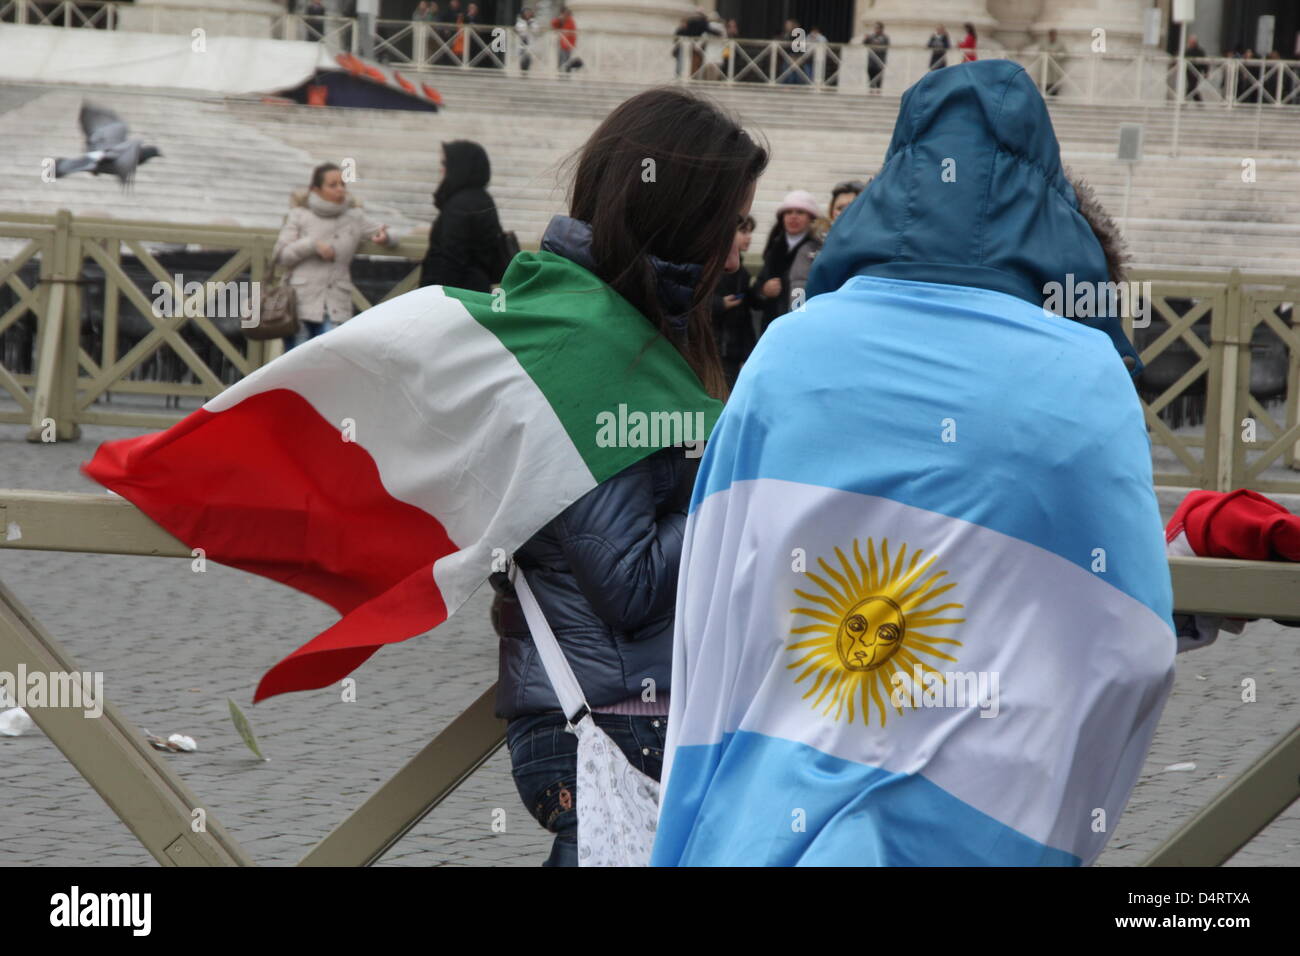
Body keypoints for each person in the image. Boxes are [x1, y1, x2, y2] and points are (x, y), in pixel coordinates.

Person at [652, 60, 1170, 869]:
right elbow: (1133, 643)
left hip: (764, 819)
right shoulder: (1087, 377)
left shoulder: (787, 351)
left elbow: (713, 608)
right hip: (975, 827)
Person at [491, 87, 768, 867]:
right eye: (730, 224)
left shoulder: (604, 317)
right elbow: (630, 580)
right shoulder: (598, 343)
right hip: (613, 717)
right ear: (681, 217)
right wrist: (745, 485)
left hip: (619, 707)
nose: (735, 253)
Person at [273, 162, 398, 346]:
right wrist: (312, 245)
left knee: (330, 358)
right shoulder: (299, 215)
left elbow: (391, 233)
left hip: (336, 304)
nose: (340, 189)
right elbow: (281, 256)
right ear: (316, 189)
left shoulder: (355, 217)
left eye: (342, 184)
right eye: (333, 185)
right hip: (298, 305)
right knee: (298, 361)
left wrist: (386, 238)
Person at [419, 140, 504, 293]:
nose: (441, 169)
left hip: (454, 293)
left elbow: (452, 258)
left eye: (445, 163)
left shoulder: (460, 205)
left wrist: (437, 294)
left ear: (461, 166)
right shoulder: (482, 198)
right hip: (476, 288)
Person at [787, 180, 866, 311]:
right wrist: (797, 315)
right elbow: (798, 289)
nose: (846, 211)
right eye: (840, 208)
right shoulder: (811, 250)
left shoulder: (873, 250)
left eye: (853, 205)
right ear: (831, 212)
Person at [753, 190, 820, 334]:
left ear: (811, 218)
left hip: (802, 322)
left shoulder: (817, 249)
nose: (793, 217)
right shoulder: (774, 247)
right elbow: (757, 287)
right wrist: (764, 290)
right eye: (788, 212)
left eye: (800, 212)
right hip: (772, 323)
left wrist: (797, 315)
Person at [711, 215, 757, 388]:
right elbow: (693, 301)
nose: (749, 237)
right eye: (743, 232)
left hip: (732, 350)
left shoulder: (742, 272)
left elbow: (745, 316)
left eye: (750, 232)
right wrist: (720, 304)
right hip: (717, 348)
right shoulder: (713, 267)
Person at [863, 21, 889, 93]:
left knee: (878, 81)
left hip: (879, 62)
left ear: (881, 29)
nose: (876, 29)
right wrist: (865, 38)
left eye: (877, 28)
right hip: (871, 62)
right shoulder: (871, 36)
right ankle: (871, 93)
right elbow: (864, 43)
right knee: (871, 79)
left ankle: (878, 93)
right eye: (875, 28)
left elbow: (885, 47)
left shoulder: (885, 38)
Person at [1040, 28, 1067, 96]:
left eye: (1053, 35)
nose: (1052, 36)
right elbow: (1040, 53)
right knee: (1044, 88)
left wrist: (1055, 55)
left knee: (1055, 89)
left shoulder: (1060, 44)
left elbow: (1065, 54)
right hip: (1046, 70)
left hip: (1056, 70)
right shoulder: (1043, 43)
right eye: (1051, 35)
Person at [552, 6, 579, 72]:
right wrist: (559, 19)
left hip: (568, 45)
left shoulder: (570, 21)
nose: (565, 15)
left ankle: (566, 74)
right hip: (561, 44)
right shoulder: (560, 20)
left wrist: (571, 44)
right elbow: (553, 24)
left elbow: (572, 33)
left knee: (567, 61)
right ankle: (560, 74)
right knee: (561, 61)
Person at [1183, 33, 1206, 102]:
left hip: (1196, 71)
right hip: (1189, 71)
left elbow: (1204, 62)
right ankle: (1198, 102)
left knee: (1192, 87)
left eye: (1190, 41)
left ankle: (1185, 101)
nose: (1189, 43)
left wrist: (1205, 71)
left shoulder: (1200, 51)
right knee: (1192, 87)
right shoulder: (1188, 50)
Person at [516, 6, 539, 72]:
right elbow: (519, 30)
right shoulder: (520, 22)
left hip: (531, 43)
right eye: (526, 13)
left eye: (529, 13)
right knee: (522, 59)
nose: (527, 14)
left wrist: (530, 25)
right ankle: (522, 71)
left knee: (529, 59)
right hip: (522, 43)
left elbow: (536, 30)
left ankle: (526, 71)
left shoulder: (533, 22)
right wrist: (526, 26)